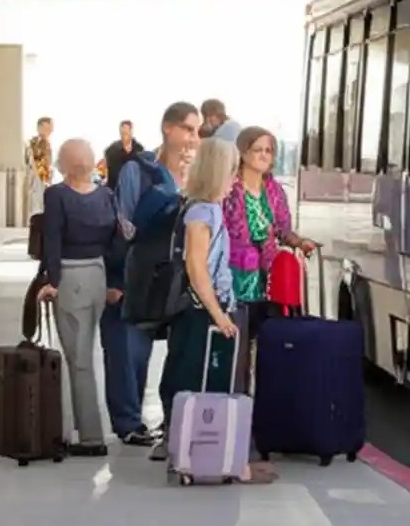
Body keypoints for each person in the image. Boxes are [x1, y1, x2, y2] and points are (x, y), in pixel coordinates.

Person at [159, 137, 277, 484]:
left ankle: (206, 458)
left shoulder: (204, 209)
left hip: (205, 311)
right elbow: (197, 269)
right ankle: (201, 459)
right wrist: (219, 314)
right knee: (202, 384)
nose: (234, 180)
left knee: (199, 383)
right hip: (203, 314)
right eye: (230, 173)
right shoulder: (201, 213)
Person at [105, 101, 201, 454]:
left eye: (198, 131)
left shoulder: (199, 171)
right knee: (130, 351)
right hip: (143, 274)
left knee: (182, 353)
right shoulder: (140, 171)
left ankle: (173, 419)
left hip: (184, 275)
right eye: (189, 129)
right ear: (168, 129)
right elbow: (124, 225)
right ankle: (130, 424)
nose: (194, 138)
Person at [36, 139, 123, 458]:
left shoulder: (57, 195)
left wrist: (52, 282)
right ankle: (87, 429)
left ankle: (90, 437)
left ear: (63, 164)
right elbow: (117, 241)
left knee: (79, 360)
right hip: (98, 274)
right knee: (88, 355)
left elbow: (53, 240)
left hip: (71, 278)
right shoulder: (106, 196)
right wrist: (112, 284)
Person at [224, 126, 316, 392]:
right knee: (239, 352)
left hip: (269, 280)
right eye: (258, 150)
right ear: (243, 152)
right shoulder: (230, 189)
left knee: (270, 349)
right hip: (237, 279)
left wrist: (299, 243)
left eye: (269, 150)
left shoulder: (274, 190)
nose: (264, 155)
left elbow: (284, 231)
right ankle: (238, 406)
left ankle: (267, 408)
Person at [102, 120, 144, 190]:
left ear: (131, 132)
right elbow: (111, 171)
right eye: (122, 133)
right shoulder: (112, 149)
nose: (124, 135)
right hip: (116, 187)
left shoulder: (139, 149)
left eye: (126, 132)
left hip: (134, 188)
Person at [25, 116, 54, 214]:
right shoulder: (36, 142)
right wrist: (46, 180)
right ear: (40, 127)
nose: (51, 130)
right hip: (39, 180)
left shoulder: (45, 142)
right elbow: (38, 164)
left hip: (43, 180)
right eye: (48, 127)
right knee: (38, 207)